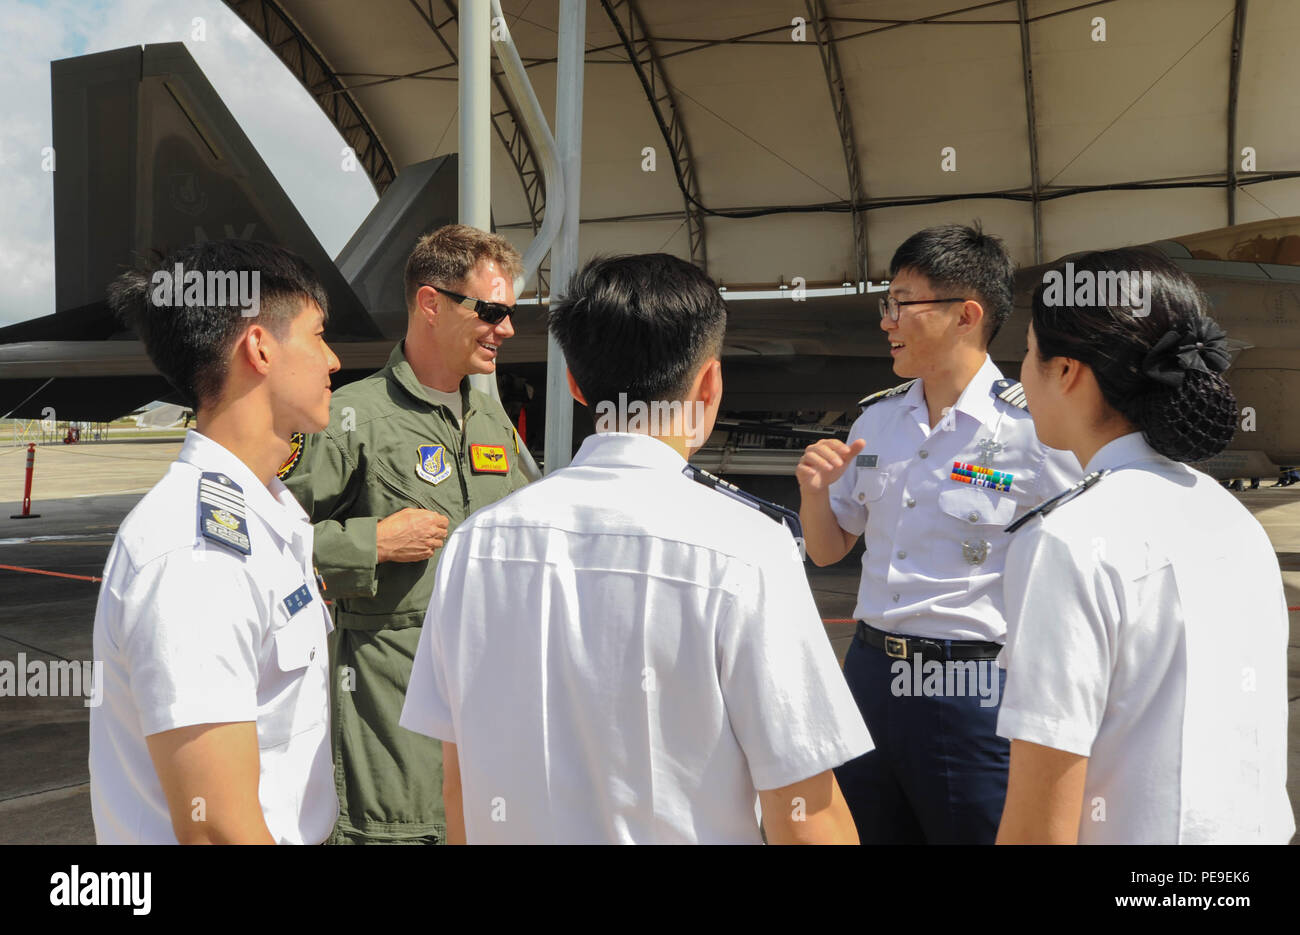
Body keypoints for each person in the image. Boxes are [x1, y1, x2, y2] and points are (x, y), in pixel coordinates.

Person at [399, 253, 871, 844]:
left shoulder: (474, 546)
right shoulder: (748, 550)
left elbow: (459, 785)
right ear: (710, 384)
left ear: (573, 381)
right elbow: (806, 811)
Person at [996, 249, 1294, 844]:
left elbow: (1040, 819)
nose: (1021, 373)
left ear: (1068, 372)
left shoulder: (1068, 538)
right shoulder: (1230, 515)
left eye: (1029, 351)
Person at [797, 223, 1082, 844]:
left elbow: (1085, 561)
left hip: (971, 688)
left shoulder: (1033, 431)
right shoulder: (877, 420)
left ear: (966, 315)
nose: (887, 320)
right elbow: (827, 550)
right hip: (871, 674)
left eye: (902, 303)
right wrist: (815, 494)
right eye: (887, 303)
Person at [282, 224, 529, 844]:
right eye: (492, 311)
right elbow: (266, 548)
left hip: (487, 721)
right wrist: (374, 543)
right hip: (390, 731)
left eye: (510, 314)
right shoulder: (351, 417)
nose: (506, 329)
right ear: (430, 303)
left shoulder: (492, 417)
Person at [90, 239, 340, 843]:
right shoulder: (197, 555)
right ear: (259, 346)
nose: (333, 360)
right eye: (317, 334)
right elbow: (218, 829)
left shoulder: (267, 514)